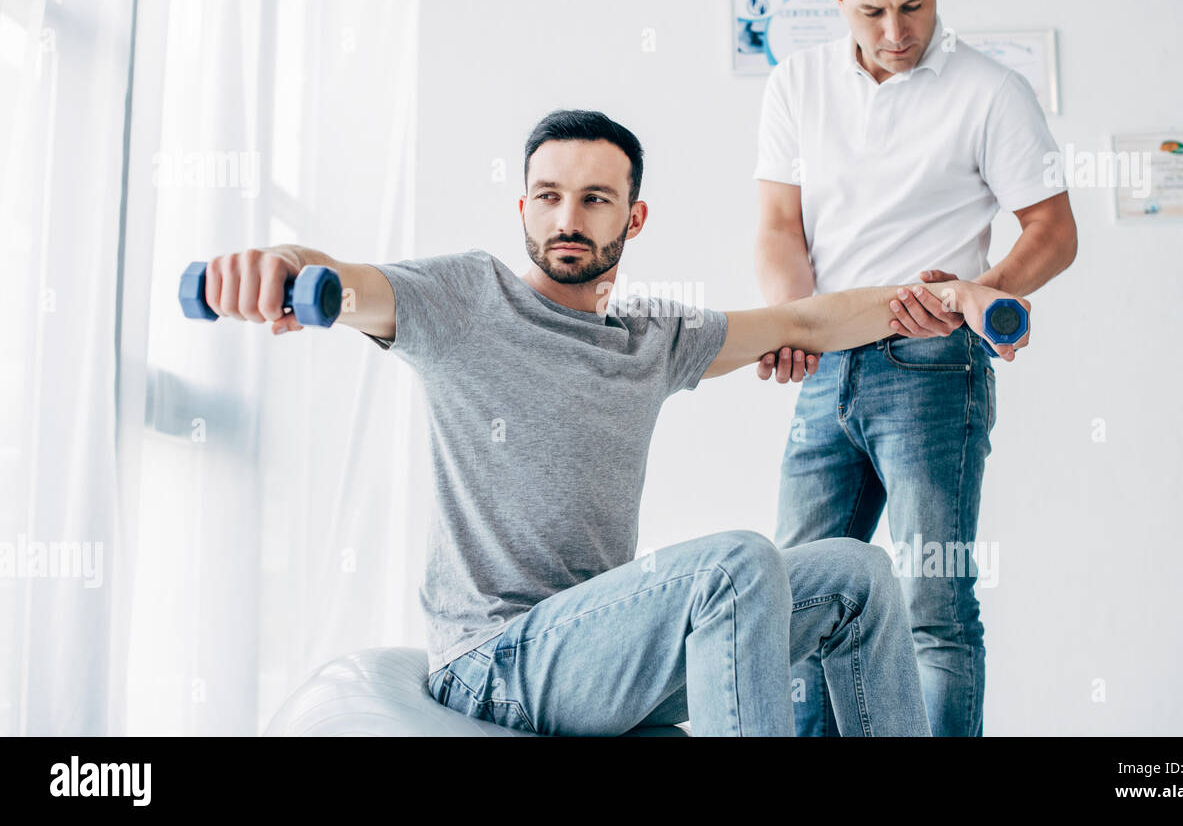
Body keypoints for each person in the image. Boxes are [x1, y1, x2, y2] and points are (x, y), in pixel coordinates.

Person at [202, 109, 1029, 736]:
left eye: (595, 199)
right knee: (736, 562)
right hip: (495, 659)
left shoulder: (651, 339)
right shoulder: (462, 300)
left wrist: (948, 298)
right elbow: (347, 283)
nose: (569, 218)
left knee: (857, 574)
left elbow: (806, 323)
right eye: (551, 197)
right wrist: (282, 263)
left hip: (607, 658)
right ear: (522, 207)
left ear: (632, 219)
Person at [752, 0, 1077, 736]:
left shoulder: (991, 91)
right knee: (791, 600)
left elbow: (1054, 229)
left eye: (912, 6)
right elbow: (781, 229)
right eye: (872, 11)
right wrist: (793, 322)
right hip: (827, 362)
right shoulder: (796, 84)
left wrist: (983, 288)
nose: (895, 31)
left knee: (934, 605)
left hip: (933, 368)